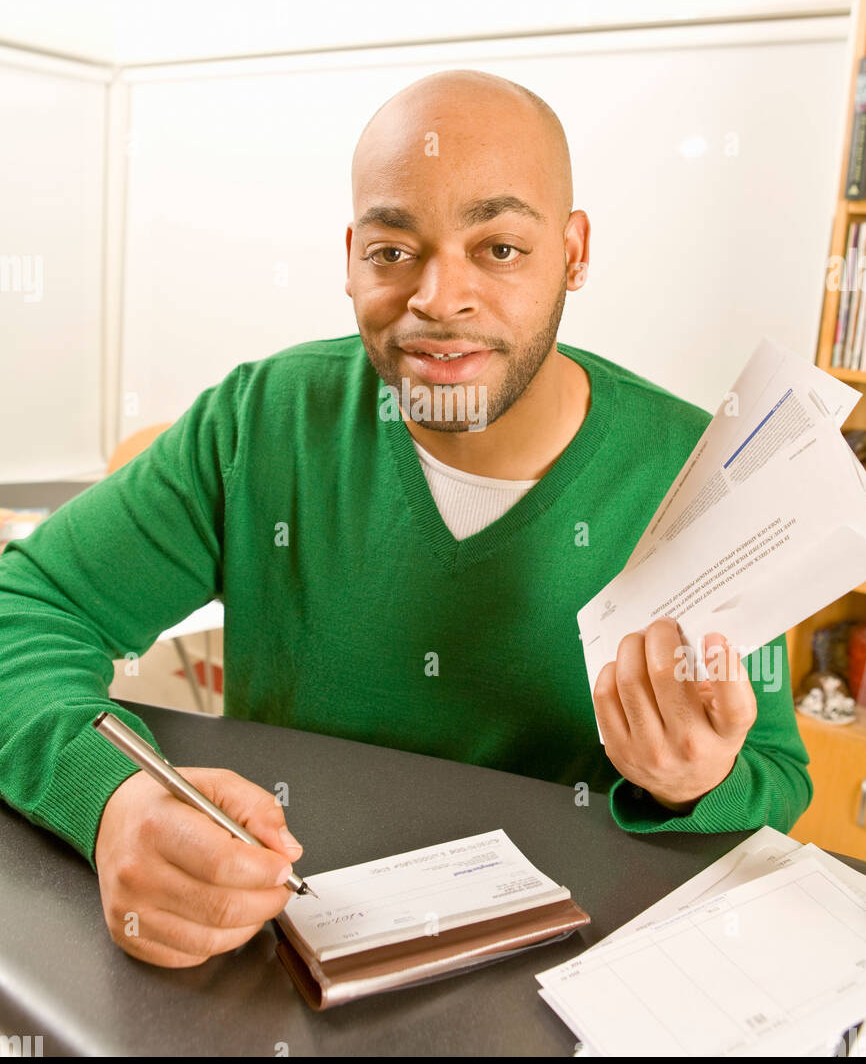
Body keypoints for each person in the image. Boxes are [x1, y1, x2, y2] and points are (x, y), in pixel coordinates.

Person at [0, 69, 811, 969]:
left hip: (568, 985)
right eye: (393, 251)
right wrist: (110, 798)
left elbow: (776, 781)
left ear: (574, 252)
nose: (439, 299)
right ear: (351, 255)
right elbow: (25, 610)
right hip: (273, 960)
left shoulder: (703, 474)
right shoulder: (259, 420)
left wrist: (695, 783)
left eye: (499, 248)